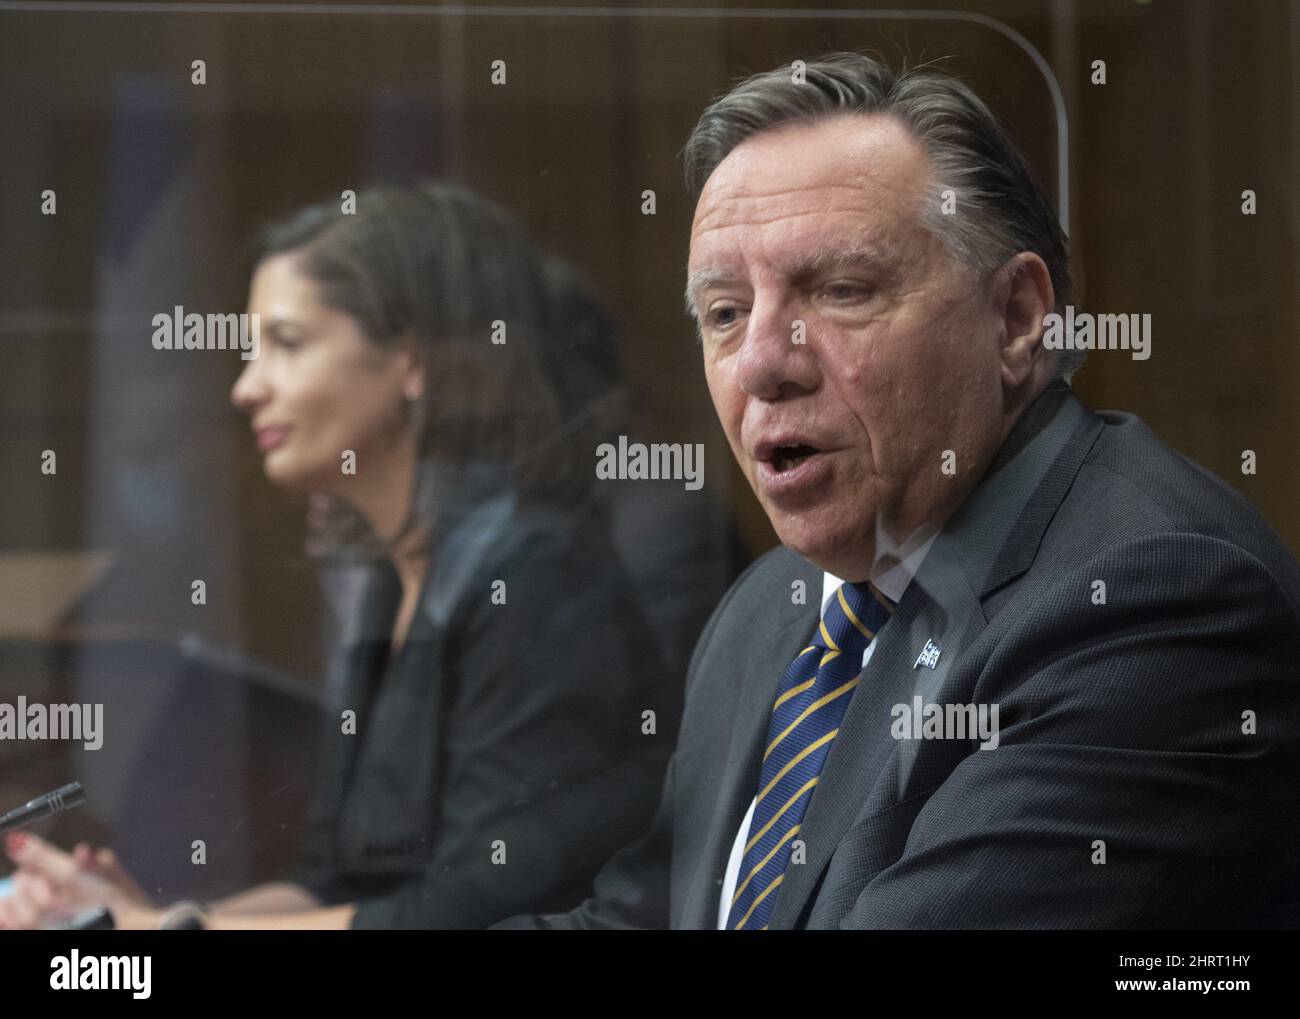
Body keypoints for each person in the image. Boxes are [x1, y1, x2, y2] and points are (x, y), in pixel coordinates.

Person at [492, 52, 1300, 929]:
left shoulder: (1156, 599)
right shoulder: (772, 606)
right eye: (725, 313)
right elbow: (638, 919)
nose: (760, 362)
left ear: (1019, 318)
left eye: (842, 290)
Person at [0, 184, 673, 929]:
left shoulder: (536, 577)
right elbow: (332, 884)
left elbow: (461, 914)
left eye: (286, 344)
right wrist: (134, 916)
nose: (246, 387)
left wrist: (162, 933)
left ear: (410, 357)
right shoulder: (386, 582)